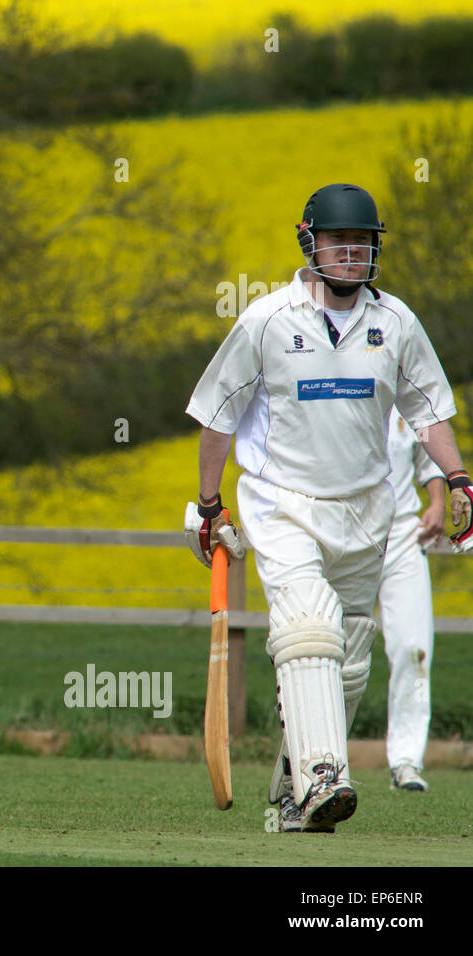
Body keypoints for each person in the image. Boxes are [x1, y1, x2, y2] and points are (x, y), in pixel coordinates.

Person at [183, 184, 472, 834]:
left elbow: (429, 414)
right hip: (283, 503)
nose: (351, 252)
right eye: (339, 241)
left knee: (347, 658)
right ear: (309, 243)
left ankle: (292, 793)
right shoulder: (266, 321)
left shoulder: (395, 323)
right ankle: (323, 777)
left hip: (367, 512)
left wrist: (458, 479)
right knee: (308, 629)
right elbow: (216, 418)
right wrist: (209, 504)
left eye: (362, 241)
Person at [379, 406, 445, 792]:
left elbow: (429, 457)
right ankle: (321, 761)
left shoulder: (410, 403)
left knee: (414, 649)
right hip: (343, 535)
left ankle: (406, 760)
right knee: (332, 647)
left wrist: (436, 502)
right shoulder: (338, 382)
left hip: (404, 535)